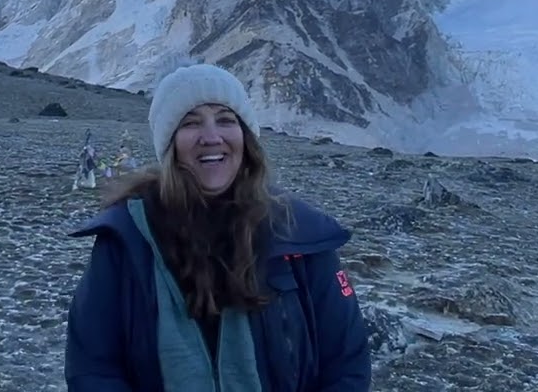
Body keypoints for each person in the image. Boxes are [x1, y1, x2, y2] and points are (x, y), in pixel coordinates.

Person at [64, 63, 371, 391]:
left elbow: (345, 362)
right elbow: (93, 368)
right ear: (170, 145)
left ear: (245, 137)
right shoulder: (128, 237)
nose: (211, 137)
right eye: (190, 123)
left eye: (225, 120)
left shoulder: (299, 233)